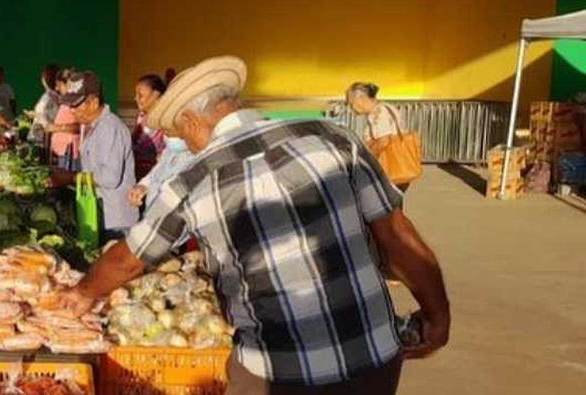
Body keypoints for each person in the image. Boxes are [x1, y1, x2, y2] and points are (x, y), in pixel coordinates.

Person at [62, 57, 450, 395]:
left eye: (182, 136)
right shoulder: (333, 138)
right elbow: (397, 237)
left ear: (191, 121)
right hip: (373, 359)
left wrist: (82, 293)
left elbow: (128, 261)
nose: (189, 147)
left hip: (276, 374)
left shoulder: (192, 181)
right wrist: (437, 315)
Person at [49, 70, 138, 242]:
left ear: (94, 102)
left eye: (76, 105)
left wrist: (70, 178)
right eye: (70, 105)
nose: (72, 110)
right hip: (99, 215)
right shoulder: (89, 125)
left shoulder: (109, 128)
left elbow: (110, 178)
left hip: (115, 223)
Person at [347, 82, 413, 192]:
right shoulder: (386, 107)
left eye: (351, 103)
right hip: (399, 166)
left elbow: (383, 141)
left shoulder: (378, 113)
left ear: (361, 98)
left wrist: (366, 160)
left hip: (388, 170)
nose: (351, 108)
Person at [132, 74, 167, 181]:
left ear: (155, 95)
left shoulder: (165, 121)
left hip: (155, 179)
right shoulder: (141, 117)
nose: (135, 98)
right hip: (136, 177)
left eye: (140, 95)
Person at [47, 69, 80, 169]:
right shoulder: (67, 101)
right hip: (62, 154)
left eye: (59, 85)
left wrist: (57, 127)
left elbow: (79, 127)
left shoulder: (76, 103)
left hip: (69, 154)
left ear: (68, 85)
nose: (56, 88)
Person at [26, 63, 61, 144]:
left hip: (41, 138)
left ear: (45, 80)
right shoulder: (58, 96)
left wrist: (35, 114)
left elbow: (46, 119)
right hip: (48, 137)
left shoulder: (48, 97)